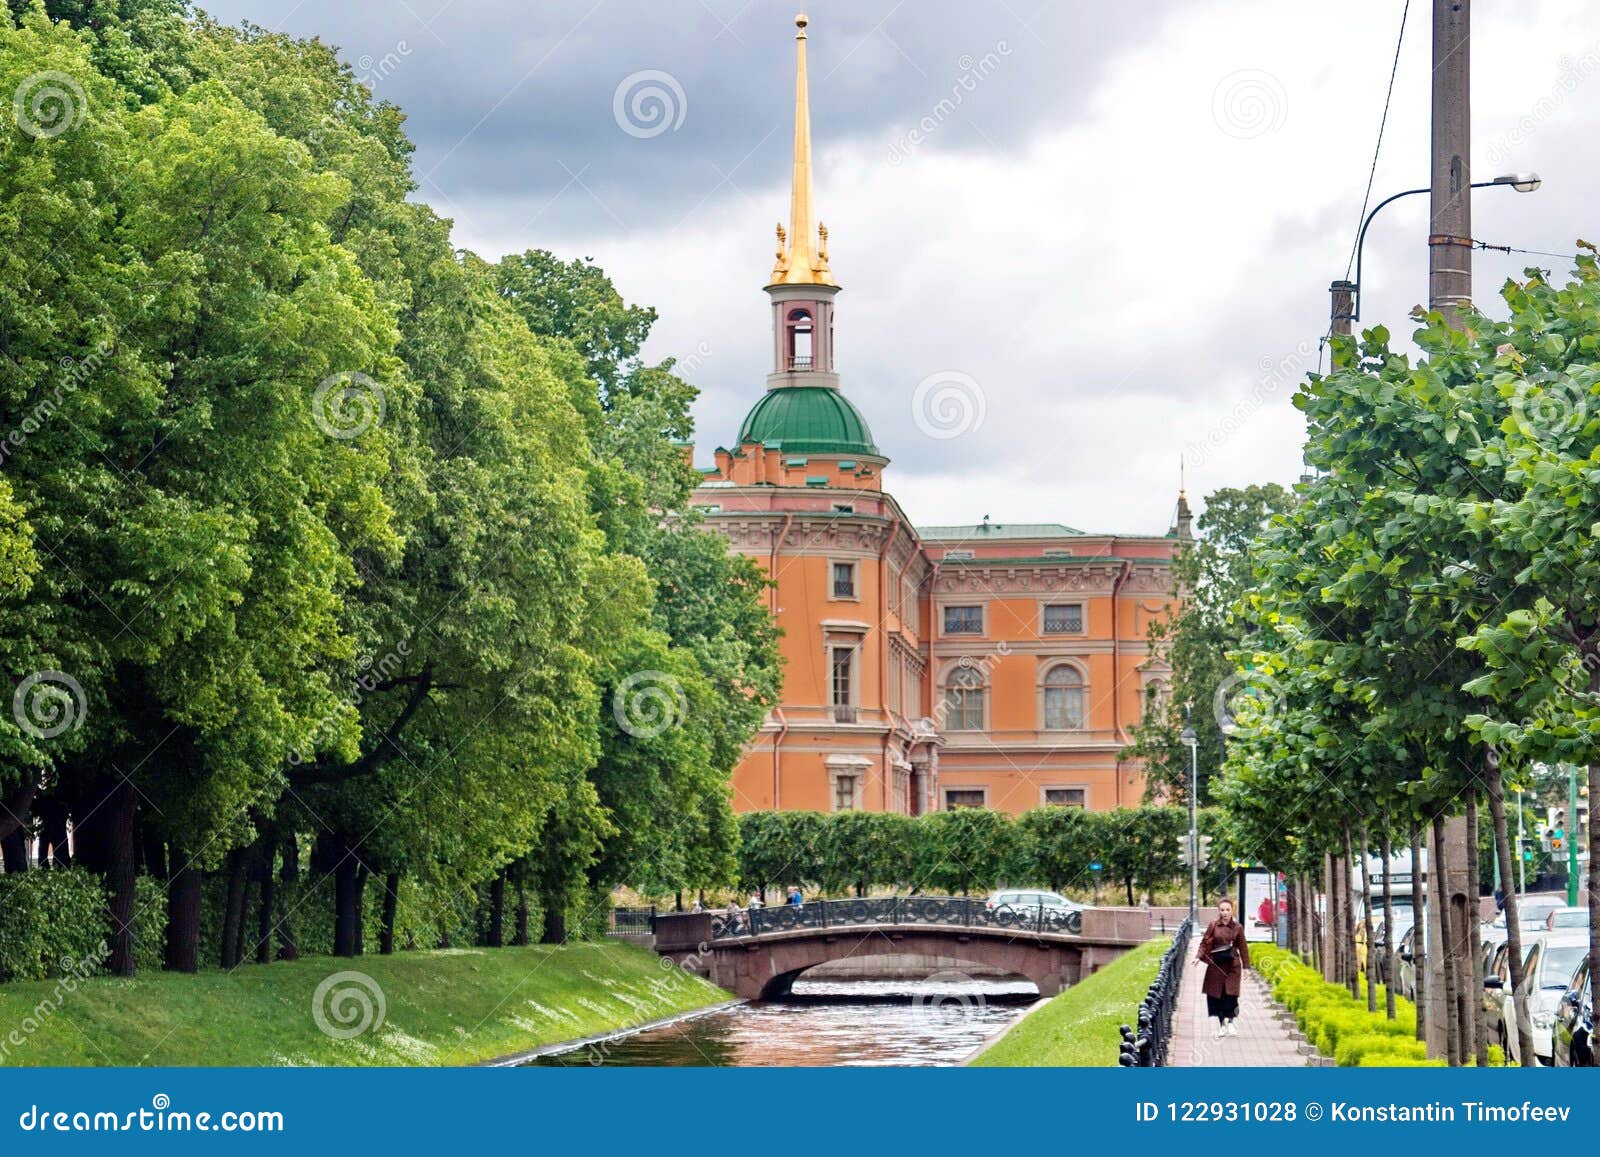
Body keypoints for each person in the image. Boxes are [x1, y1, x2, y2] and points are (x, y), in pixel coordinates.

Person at [1196, 897, 1250, 1038]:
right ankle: (1222, 1025)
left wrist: (1247, 968)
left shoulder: (1238, 927)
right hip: (1216, 965)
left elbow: (1243, 948)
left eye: (1227, 910)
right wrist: (1197, 957)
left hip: (1233, 966)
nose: (1225, 913)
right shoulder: (1213, 925)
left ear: (1232, 910)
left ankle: (1231, 1021)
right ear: (1219, 911)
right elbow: (1204, 942)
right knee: (1216, 996)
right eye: (1222, 910)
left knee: (1231, 995)